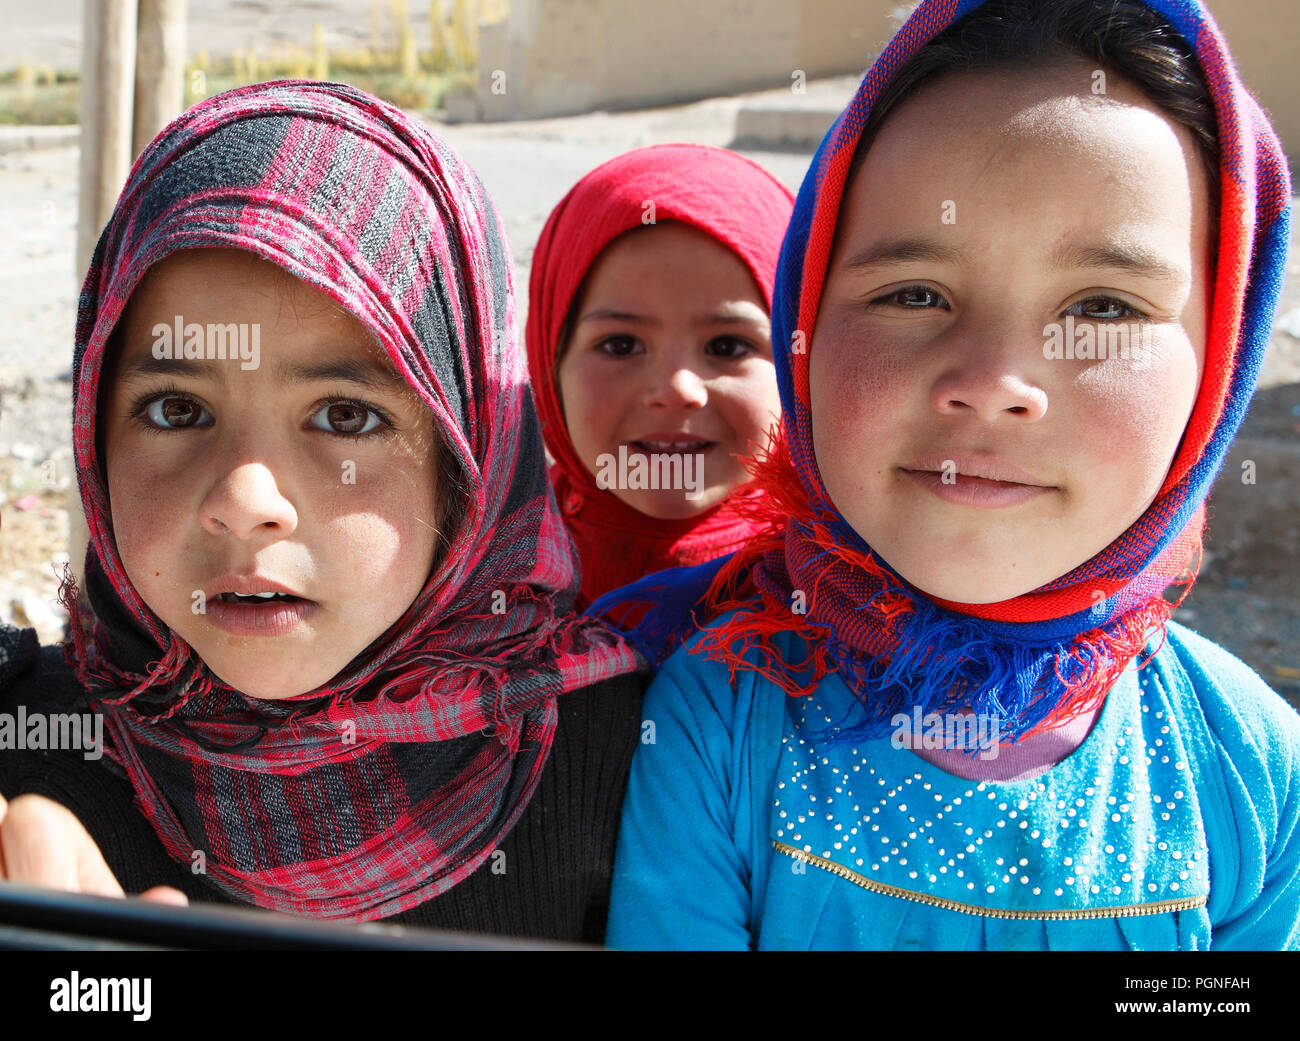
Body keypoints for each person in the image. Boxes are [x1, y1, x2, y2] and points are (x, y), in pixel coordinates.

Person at [605, 0, 1299, 949]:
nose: (991, 384)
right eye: (914, 293)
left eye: (1102, 305)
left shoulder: (1250, 770)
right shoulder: (718, 725)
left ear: (1220, 363)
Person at [0, 80, 644, 942]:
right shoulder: (33, 753)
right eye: (175, 409)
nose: (245, 502)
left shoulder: (643, 768)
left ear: (469, 462)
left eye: (347, 416)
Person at [526, 144, 793, 610]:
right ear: (550, 364)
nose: (677, 390)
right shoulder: (473, 580)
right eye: (621, 345)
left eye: (726, 346)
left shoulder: (851, 588)